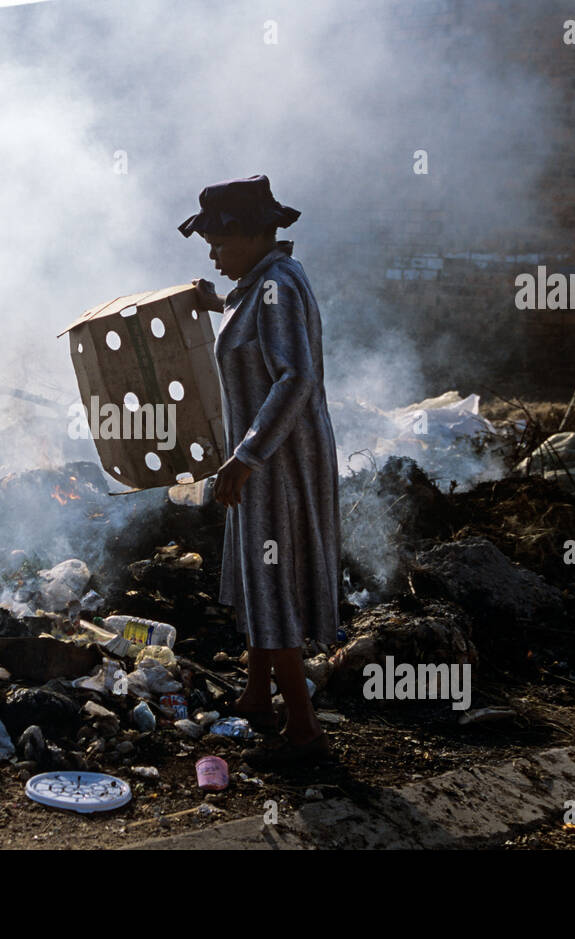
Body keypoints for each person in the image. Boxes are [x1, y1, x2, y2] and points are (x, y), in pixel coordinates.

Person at [179, 175, 343, 766]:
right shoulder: (266, 282)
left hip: (278, 463)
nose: (213, 253)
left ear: (250, 236)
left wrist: (245, 458)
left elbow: (294, 376)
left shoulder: (274, 286)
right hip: (270, 456)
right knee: (258, 570)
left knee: (272, 585)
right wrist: (214, 302)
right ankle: (256, 695)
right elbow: (254, 330)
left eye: (220, 243)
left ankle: (304, 734)